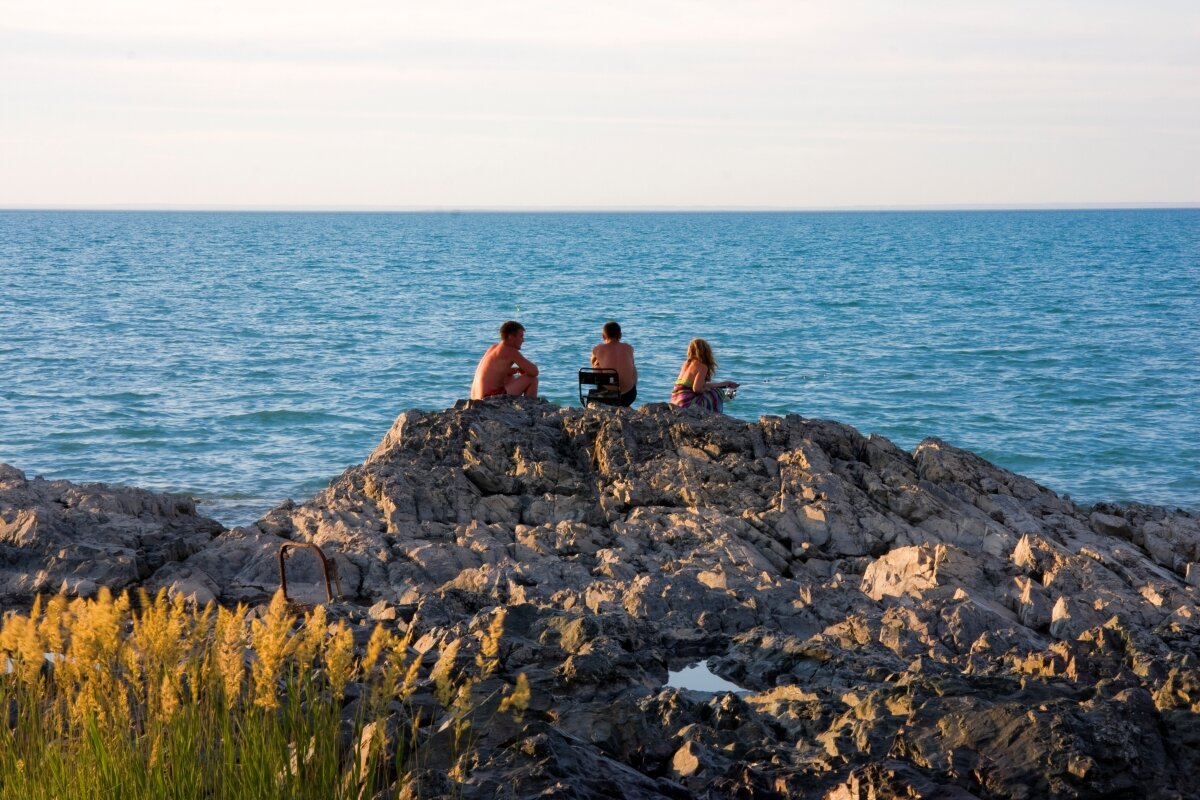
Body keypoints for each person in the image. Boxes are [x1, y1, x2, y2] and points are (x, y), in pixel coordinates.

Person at [470, 321, 539, 400]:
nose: (523, 340)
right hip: (489, 398)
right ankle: (530, 408)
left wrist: (516, 370)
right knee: (532, 379)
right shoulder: (510, 351)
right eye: (521, 336)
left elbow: (497, 371)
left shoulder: (493, 348)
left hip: (476, 398)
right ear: (511, 337)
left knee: (510, 376)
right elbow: (534, 372)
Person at [670, 338, 739, 413]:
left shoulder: (686, 363)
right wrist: (705, 390)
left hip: (676, 401)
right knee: (716, 393)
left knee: (713, 390)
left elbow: (698, 385)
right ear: (706, 352)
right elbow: (696, 389)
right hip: (687, 403)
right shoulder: (702, 366)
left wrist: (724, 384)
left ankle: (728, 395)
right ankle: (729, 395)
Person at [590, 320, 638, 406]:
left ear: (603, 336)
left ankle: (608, 388)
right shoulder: (629, 348)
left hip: (607, 395)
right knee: (633, 367)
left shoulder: (597, 348)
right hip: (628, 396)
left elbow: (592, 364)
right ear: (620, 335)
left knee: (597, 364)